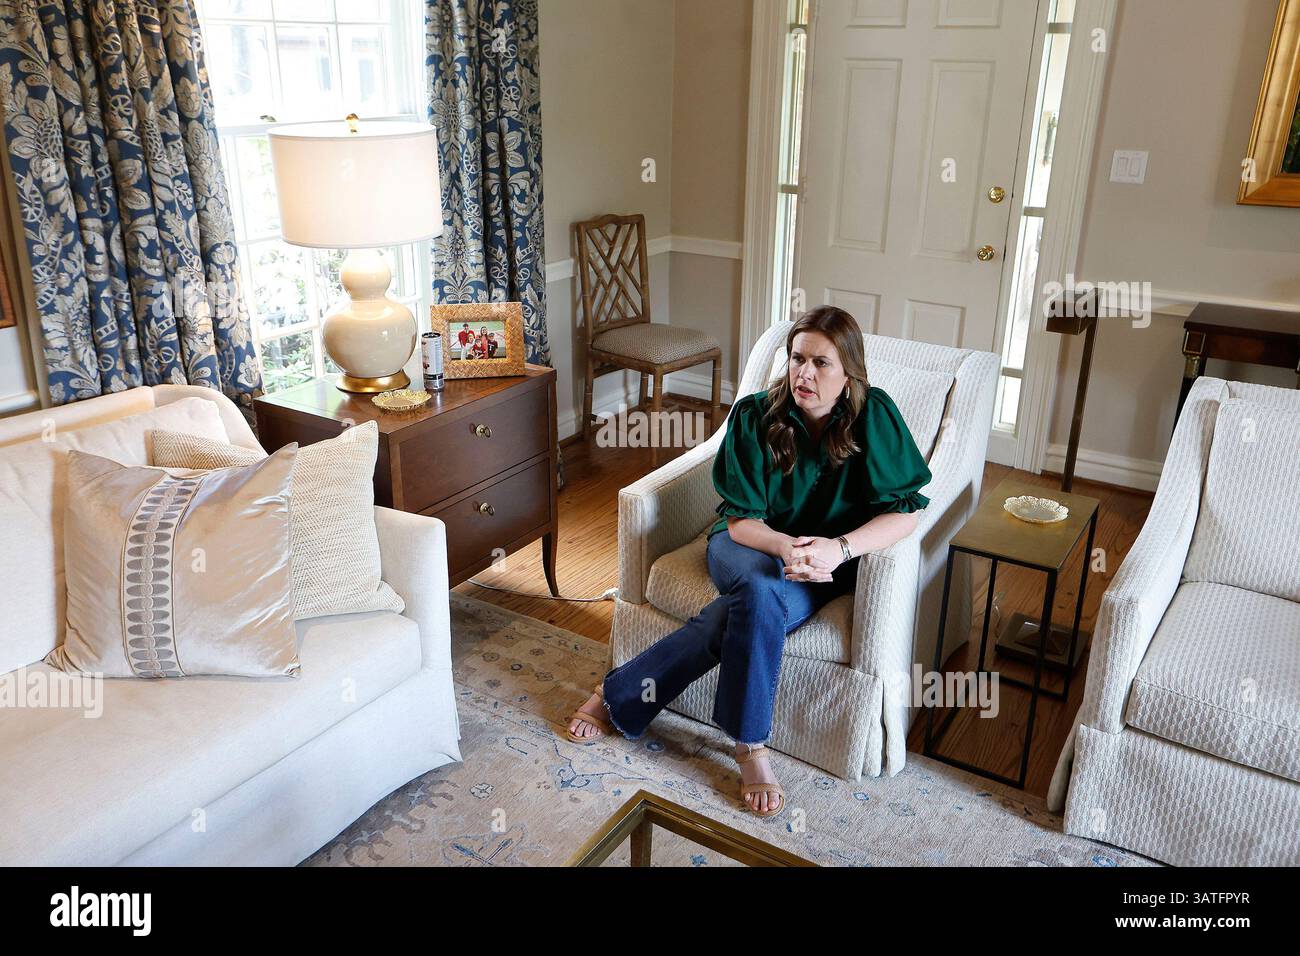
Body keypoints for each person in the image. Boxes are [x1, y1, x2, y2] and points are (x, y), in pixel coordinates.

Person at [565, 305, 932, 816]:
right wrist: (788, 547)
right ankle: (751, 745)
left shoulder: (877, 416)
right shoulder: (756, 414)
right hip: (748, 545)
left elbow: (905, 513)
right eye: (797, 358)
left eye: (821, 363)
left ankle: (619, 695)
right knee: (758, 590)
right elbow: (741, 523)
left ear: (849, 373)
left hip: (825, 563)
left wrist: (838, 549)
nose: (804, 374)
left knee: (734, 614)